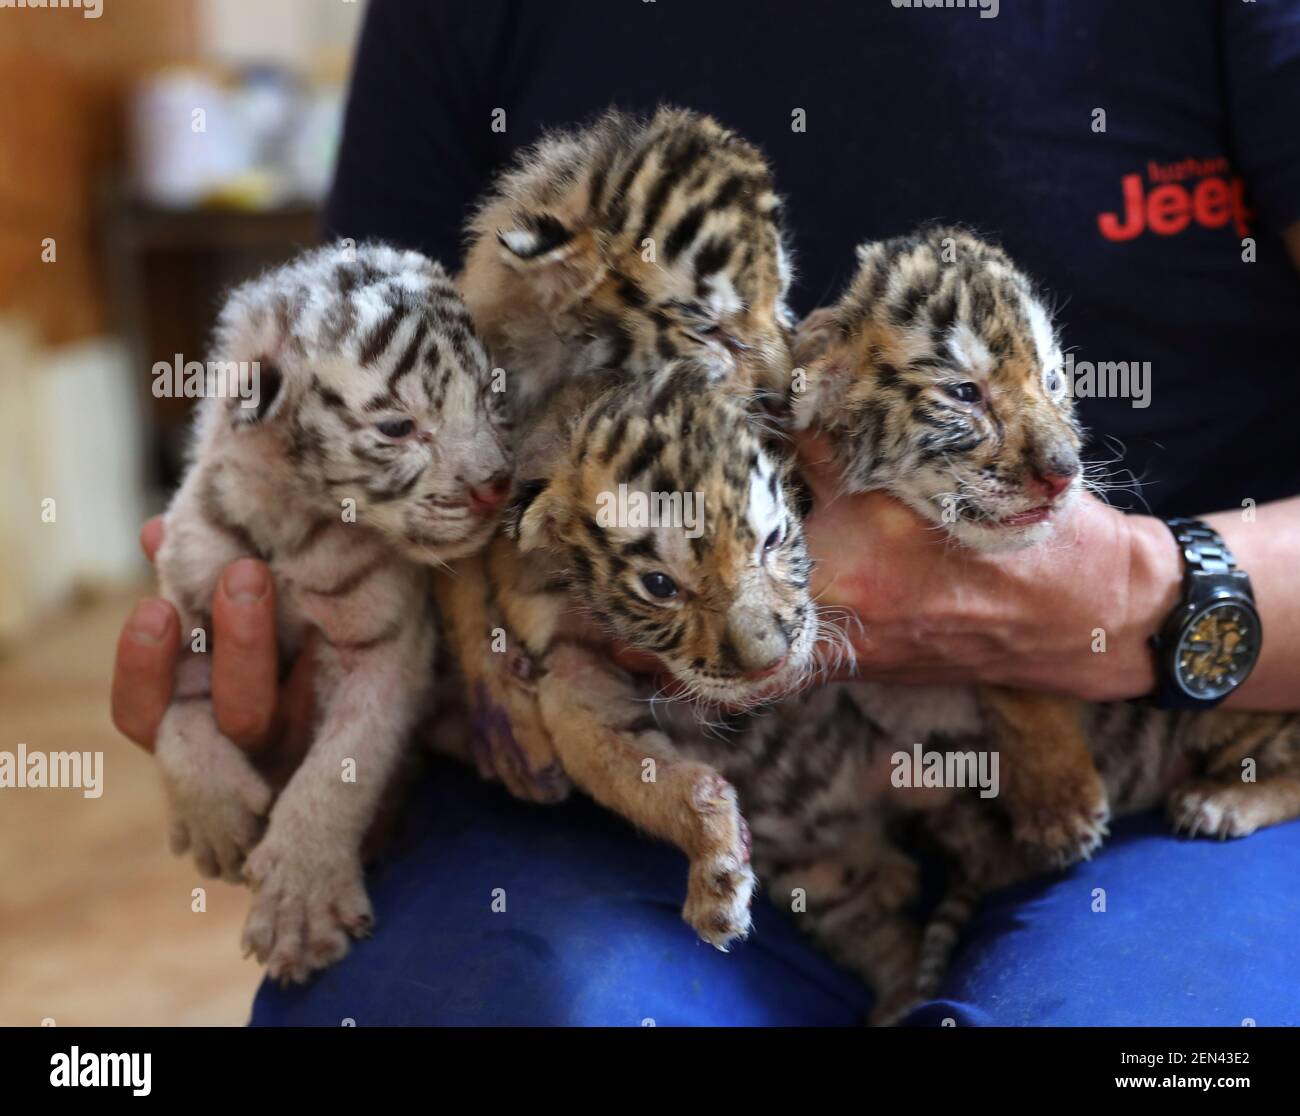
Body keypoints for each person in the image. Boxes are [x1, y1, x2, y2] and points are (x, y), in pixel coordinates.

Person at [112, 0, 1300, 1025]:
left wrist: (1140, 597)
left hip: (1177, 744)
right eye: (719, 323)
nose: (770, 366)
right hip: (633, 796)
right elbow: (375, 442)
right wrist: (350, 711)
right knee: (483, 999)